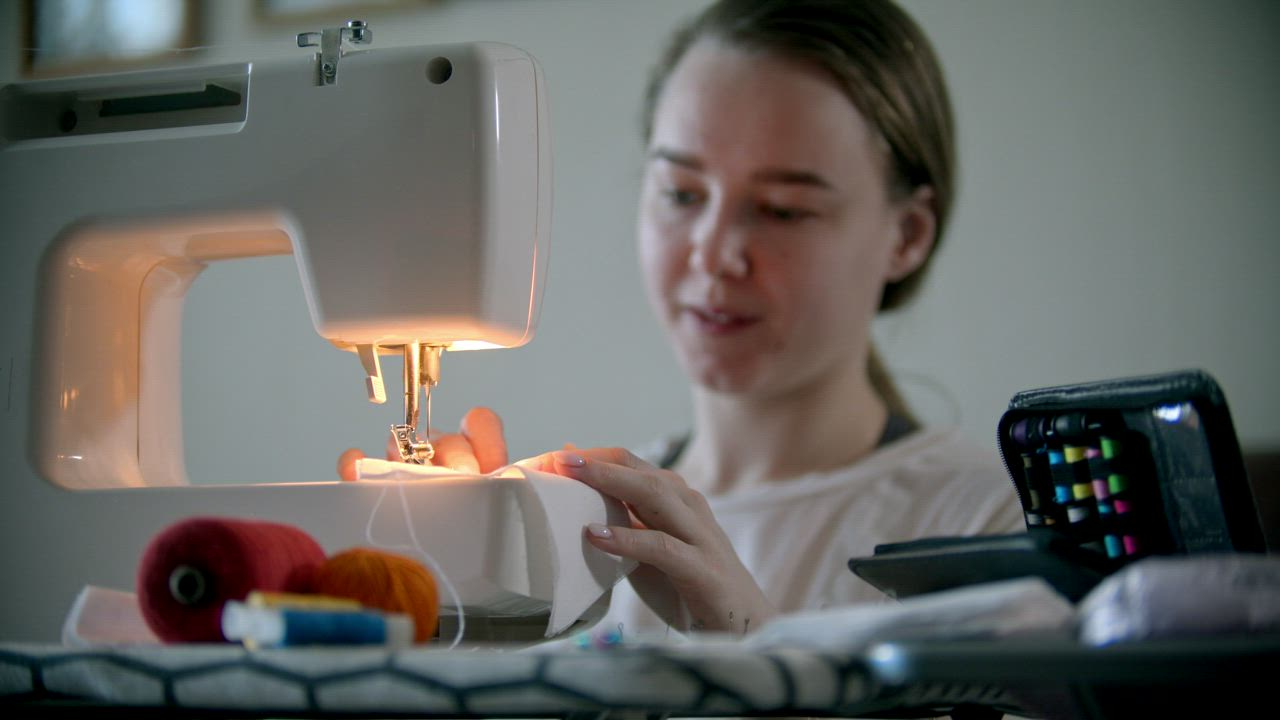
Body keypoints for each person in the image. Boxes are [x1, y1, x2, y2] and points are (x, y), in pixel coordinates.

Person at [339, 0, 1024, 637]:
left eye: (784, 208)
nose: (715, 254)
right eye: (682, 193)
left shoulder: (989, 530)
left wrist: (755, 654)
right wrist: (458, 596)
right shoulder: (591, 524)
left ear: (905, 236)